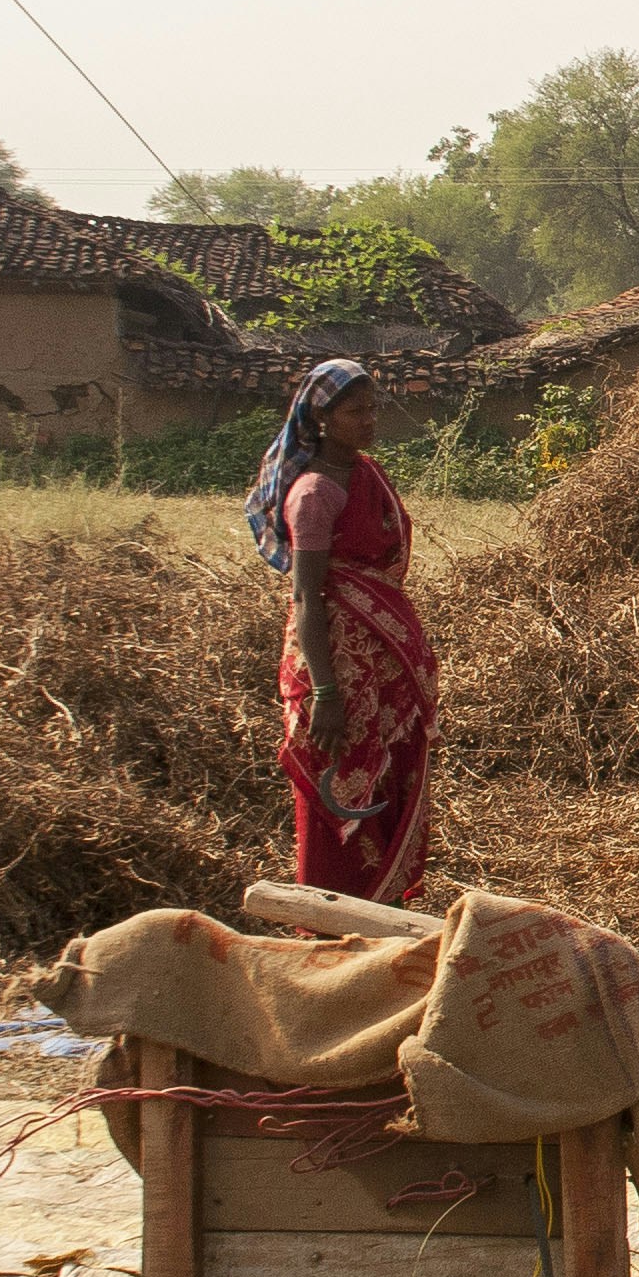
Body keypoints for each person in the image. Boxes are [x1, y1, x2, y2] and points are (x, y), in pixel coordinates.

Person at [245, 360, 438, 904]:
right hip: (337, 669)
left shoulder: (367, 474)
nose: (369, 420)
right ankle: (330, 917)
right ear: (322, 418)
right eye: (355, 412)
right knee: (340, 790)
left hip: (383, 667)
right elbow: (307, 596)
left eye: (373, 408)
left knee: (390, 777)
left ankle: (384, 910)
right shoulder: (313, 494)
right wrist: (326, 692)